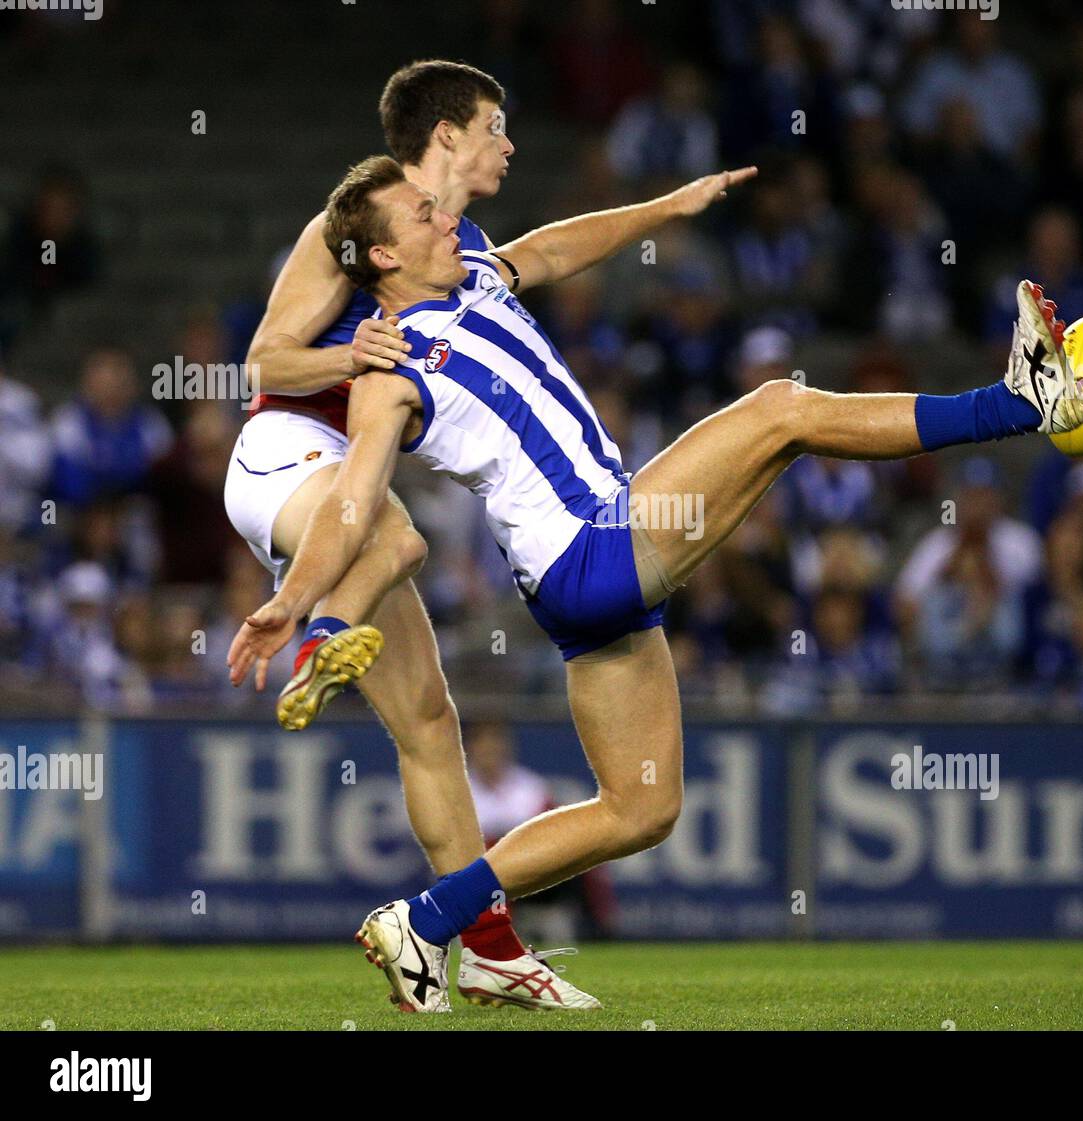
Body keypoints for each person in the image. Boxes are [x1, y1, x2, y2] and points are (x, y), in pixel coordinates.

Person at [227, 154, 1083, 1013]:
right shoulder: (387, 372)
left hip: (588, 570)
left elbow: (564, 246)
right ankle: (1018, 403)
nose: (445, 217)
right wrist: (295, 605)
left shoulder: (480, 273)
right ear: (380, 257)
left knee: (643, 807)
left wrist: (668, 206)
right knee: (777, 411)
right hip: (585, 547)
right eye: (421, 216)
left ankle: (426, 918)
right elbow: (351, 503)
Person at [223, 60, 755, 1012]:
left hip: (354, 471)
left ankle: (484, 947)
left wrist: (663, 210)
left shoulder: (450, 240)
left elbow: (545, 254)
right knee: (398, 536)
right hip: (290, 451)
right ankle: (312, 635)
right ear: (446, 138)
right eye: (495, 126)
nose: (510, 143)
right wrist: (358, 351)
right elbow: (264, 357)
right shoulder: (362, 224)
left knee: (431, 725)